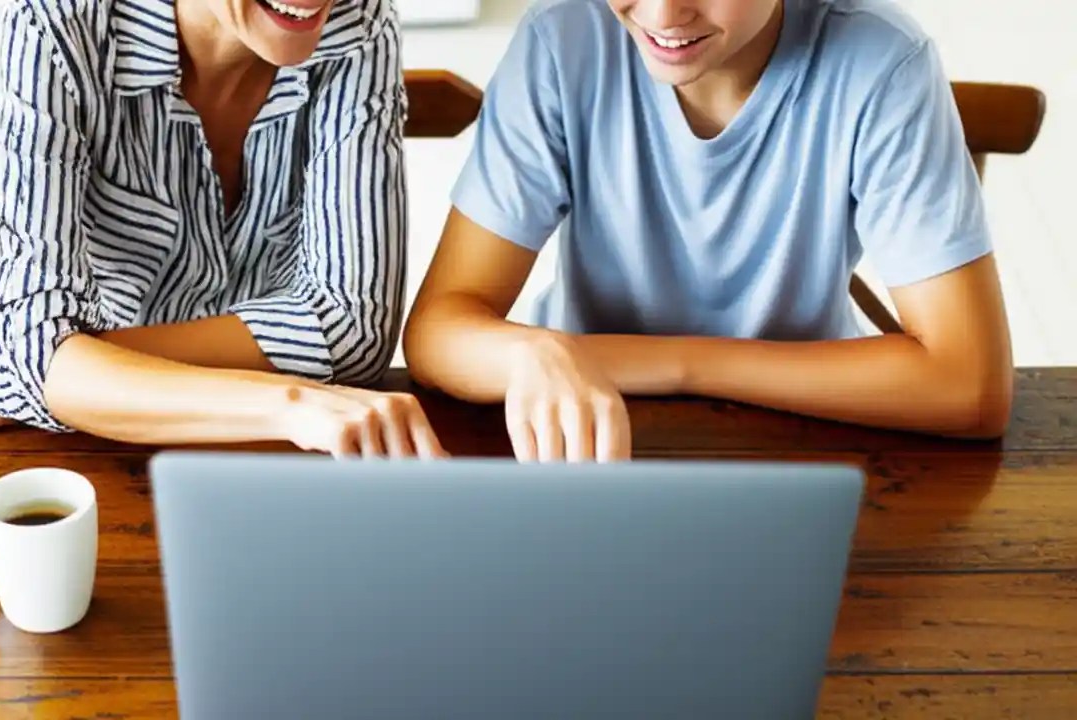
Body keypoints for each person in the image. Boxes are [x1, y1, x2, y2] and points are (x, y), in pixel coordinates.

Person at [403, 0, 1014, 463]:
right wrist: (535, 353)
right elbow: (437, 332)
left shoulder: (882, 61)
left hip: (810, 435)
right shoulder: (562, 41)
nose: (663, 14)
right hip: (584, 436)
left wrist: (681, 364)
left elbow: (969, 385)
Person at [0, 0, 444, 458]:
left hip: (103, 381)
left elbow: (352, 330)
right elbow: (30, 351)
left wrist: (67, 368)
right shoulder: (53, 18)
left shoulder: (357, 21)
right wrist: (291, 404)